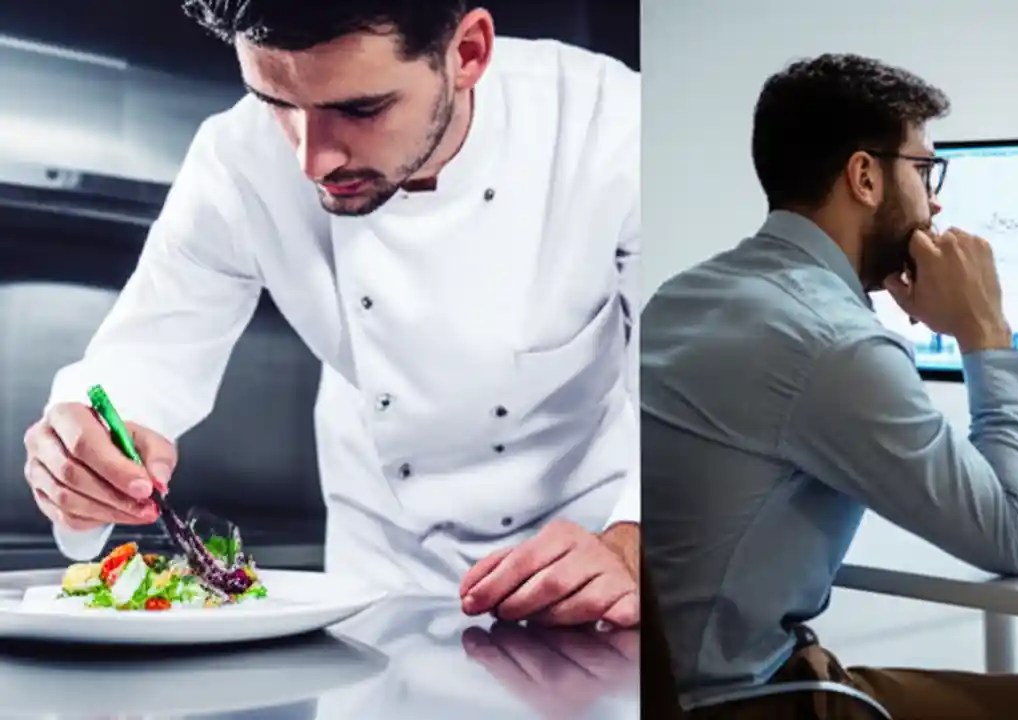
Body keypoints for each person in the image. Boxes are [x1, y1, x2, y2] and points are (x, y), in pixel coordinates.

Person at [22, 1, 640, 629]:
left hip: (590, 575)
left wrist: (636, 543)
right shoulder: (236, 160)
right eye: (277, 103)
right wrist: (84, 466)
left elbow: (699, 377)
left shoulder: (606, 124)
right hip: (378, 591)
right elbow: (144, 359)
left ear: (468, 54)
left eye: (359, 109)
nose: (311, 161)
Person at [639, 53, 1018, 718]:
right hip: (754, 703)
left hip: (678, 691)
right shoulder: (836, 344)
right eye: (925, 170)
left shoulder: (682, 297)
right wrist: (984, 332)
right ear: (865, 177)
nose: (935, 202)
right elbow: (1016, 540)